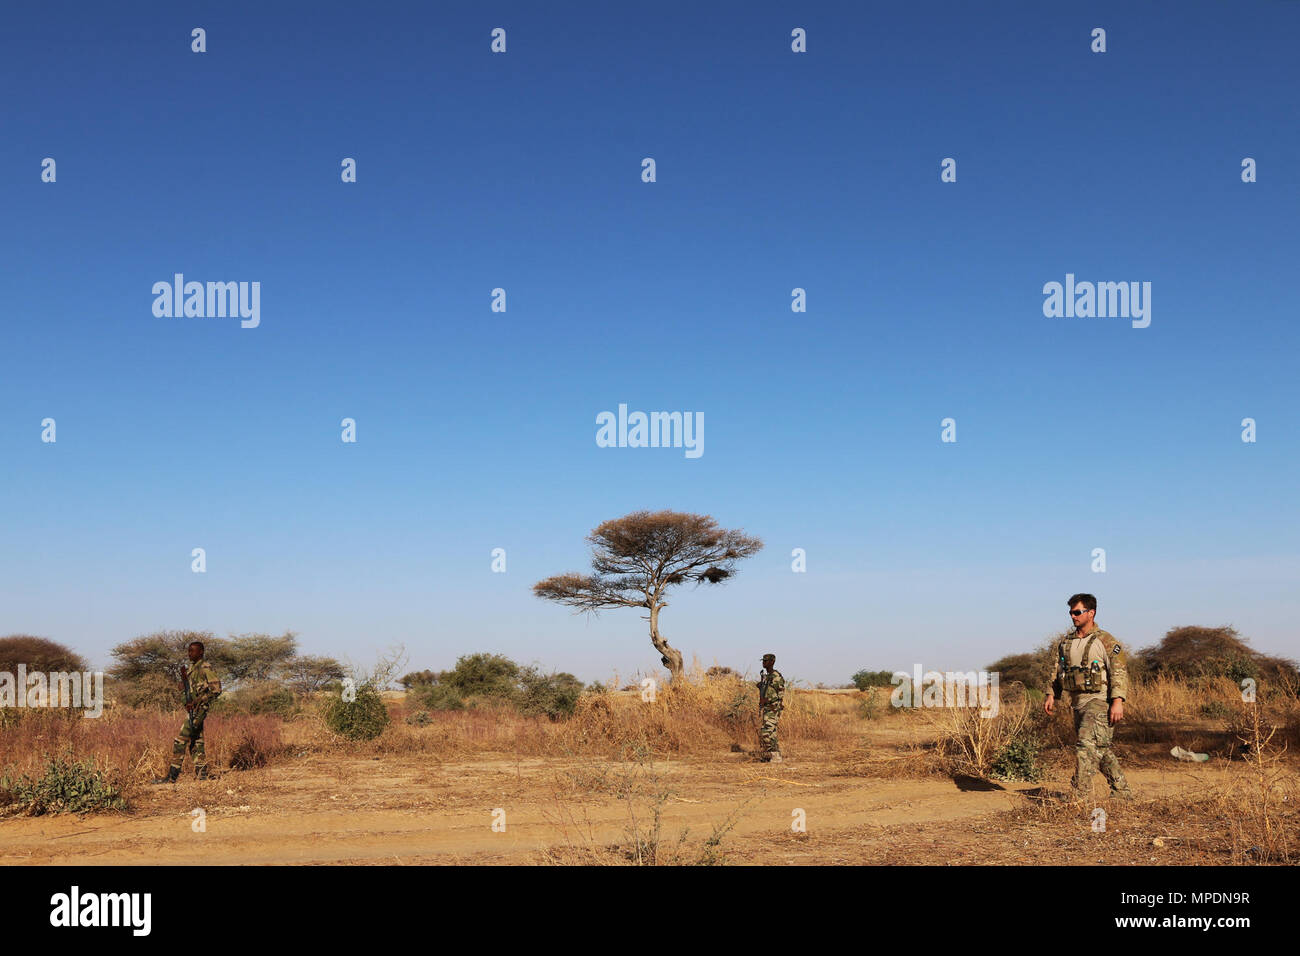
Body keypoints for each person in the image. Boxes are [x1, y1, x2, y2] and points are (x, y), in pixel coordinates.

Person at [1044, 594, 1133, 800]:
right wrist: (1051, 695)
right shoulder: (1065, 643)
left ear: (1090, 613)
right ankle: (1122, 792)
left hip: (1100, 701)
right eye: (1071, 613)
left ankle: (1079, 794)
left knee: (1086, 746)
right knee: (1099, 748)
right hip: (1077, 703)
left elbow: (1118, 672)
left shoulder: (1106, 641)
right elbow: (1056, 671)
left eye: (1077, 612)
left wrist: (1117, 701)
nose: (1073, 616)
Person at [154, 641, 222, 783]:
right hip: (193, 709)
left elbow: (216, 690)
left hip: (199, 709)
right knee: (196, 741)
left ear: (201, 652)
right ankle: (202, 775)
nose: (189, 653)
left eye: (193, 651)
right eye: (189, 651)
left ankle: (172, 776)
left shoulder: (205, 667)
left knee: (181, 740)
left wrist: (197, 701)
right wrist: (183, 688)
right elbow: (191, 689)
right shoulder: (192, 668)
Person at [757, 653, 786, 763]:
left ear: (772, 662)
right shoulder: (767, 676)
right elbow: (768, 691)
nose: (764, 663)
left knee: (767, 732)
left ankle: (775, 756)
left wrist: (768, 701)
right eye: (763, 661)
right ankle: (771, 755)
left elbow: (780, 693)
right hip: (768, 708)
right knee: (770, 732)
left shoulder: (775, 676)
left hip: (773, 708)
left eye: (766, 661)